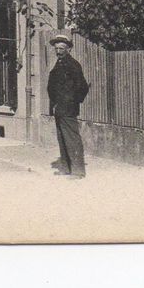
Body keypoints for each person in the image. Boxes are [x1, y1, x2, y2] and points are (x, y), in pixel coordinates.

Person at [47, 33, 90, 179]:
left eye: (62, 48)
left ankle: (78, 171)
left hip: (67, 108)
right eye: (57, 48)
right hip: (59, 108)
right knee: (62, 138)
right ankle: (66, 168)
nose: (58, 51)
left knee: (71, 138)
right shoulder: (59, 63)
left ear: (68, 49)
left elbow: (82, 86)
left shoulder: (72, 64)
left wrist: (72, 102)